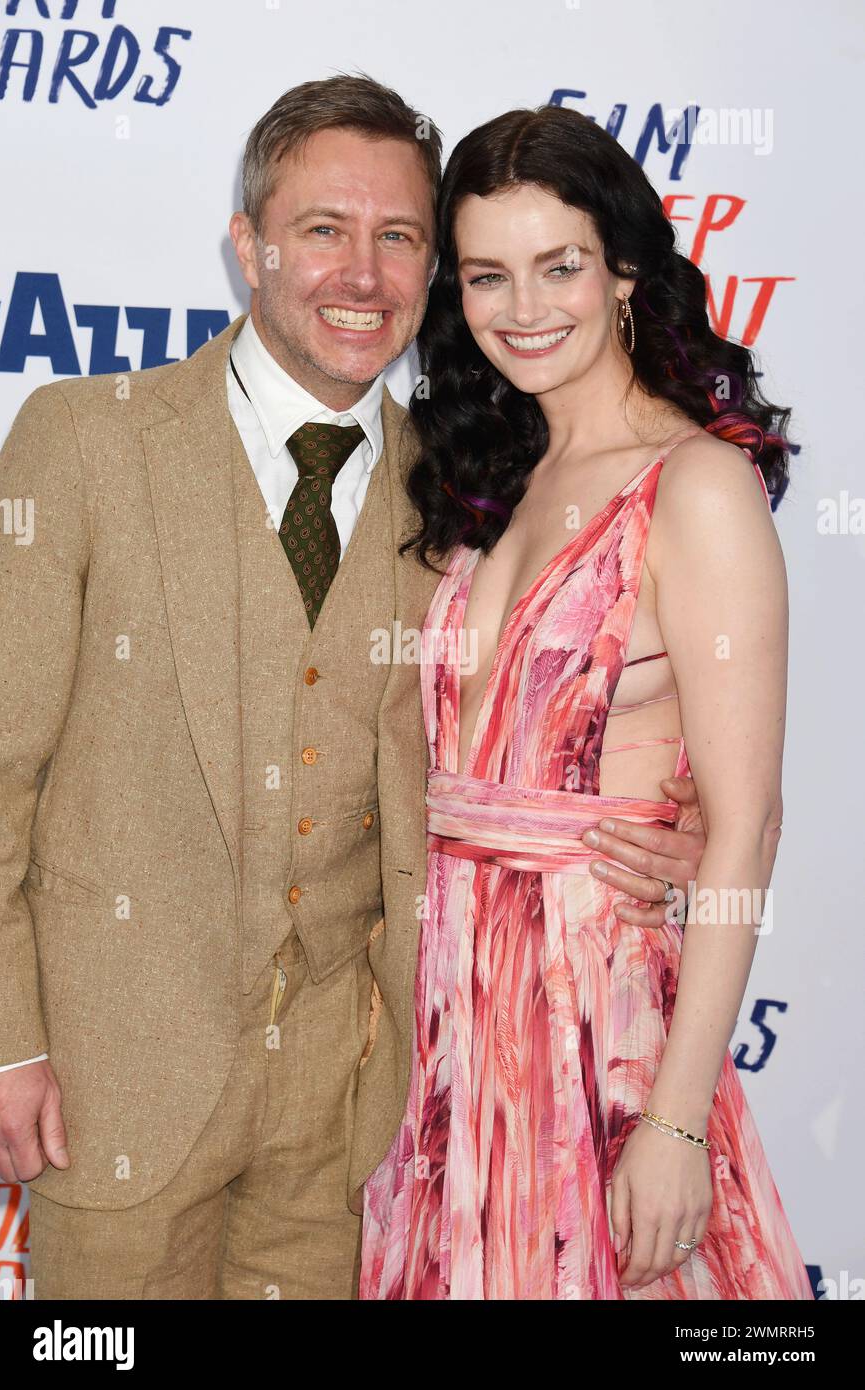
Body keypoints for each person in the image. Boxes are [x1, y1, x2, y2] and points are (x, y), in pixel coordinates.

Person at [0, 77, 705, 1300]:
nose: (360, 275)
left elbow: (533, 724)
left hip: (352, 1115)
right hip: (108, 1092)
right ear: (249, 244)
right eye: (323, 231)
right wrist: (4, 1043)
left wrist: (649, 817)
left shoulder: (471, 489)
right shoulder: (86, 439)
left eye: (399, 239)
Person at [359, 104, 813, 1300]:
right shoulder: (490, 474)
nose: (526, 309)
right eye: (488, 276)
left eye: (559, 266)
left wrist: (670, 1125)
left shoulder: (698, 485)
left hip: (601, 1030)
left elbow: (746, 821)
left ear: (621, 269)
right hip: (447, 1025)